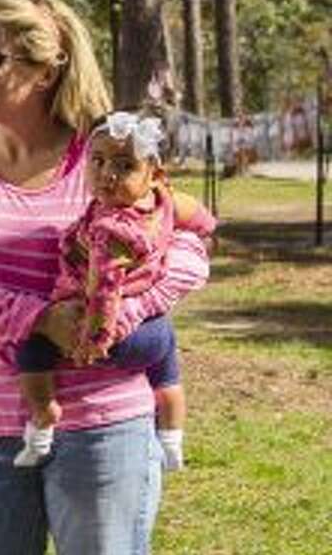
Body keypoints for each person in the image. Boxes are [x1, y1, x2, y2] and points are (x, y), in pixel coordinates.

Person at [0, 0, 210, 555]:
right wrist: (41, 319)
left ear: (46, 71)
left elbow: (189, 246)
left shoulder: (108, 156)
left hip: (106, 425)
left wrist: (127, 313)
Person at [14, 106, 217, 471]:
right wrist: (203, 233)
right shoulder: (166, 200)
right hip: (155, 329)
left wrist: (93, 340)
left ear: (154, 174)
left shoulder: (111, 230)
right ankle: (172, 440)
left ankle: (42, 420)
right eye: (98, 161)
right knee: (167, 377)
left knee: (31, 347)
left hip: (118, 333)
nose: (108, 174)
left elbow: (105, 289)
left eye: (125, 166)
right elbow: (201, 218)